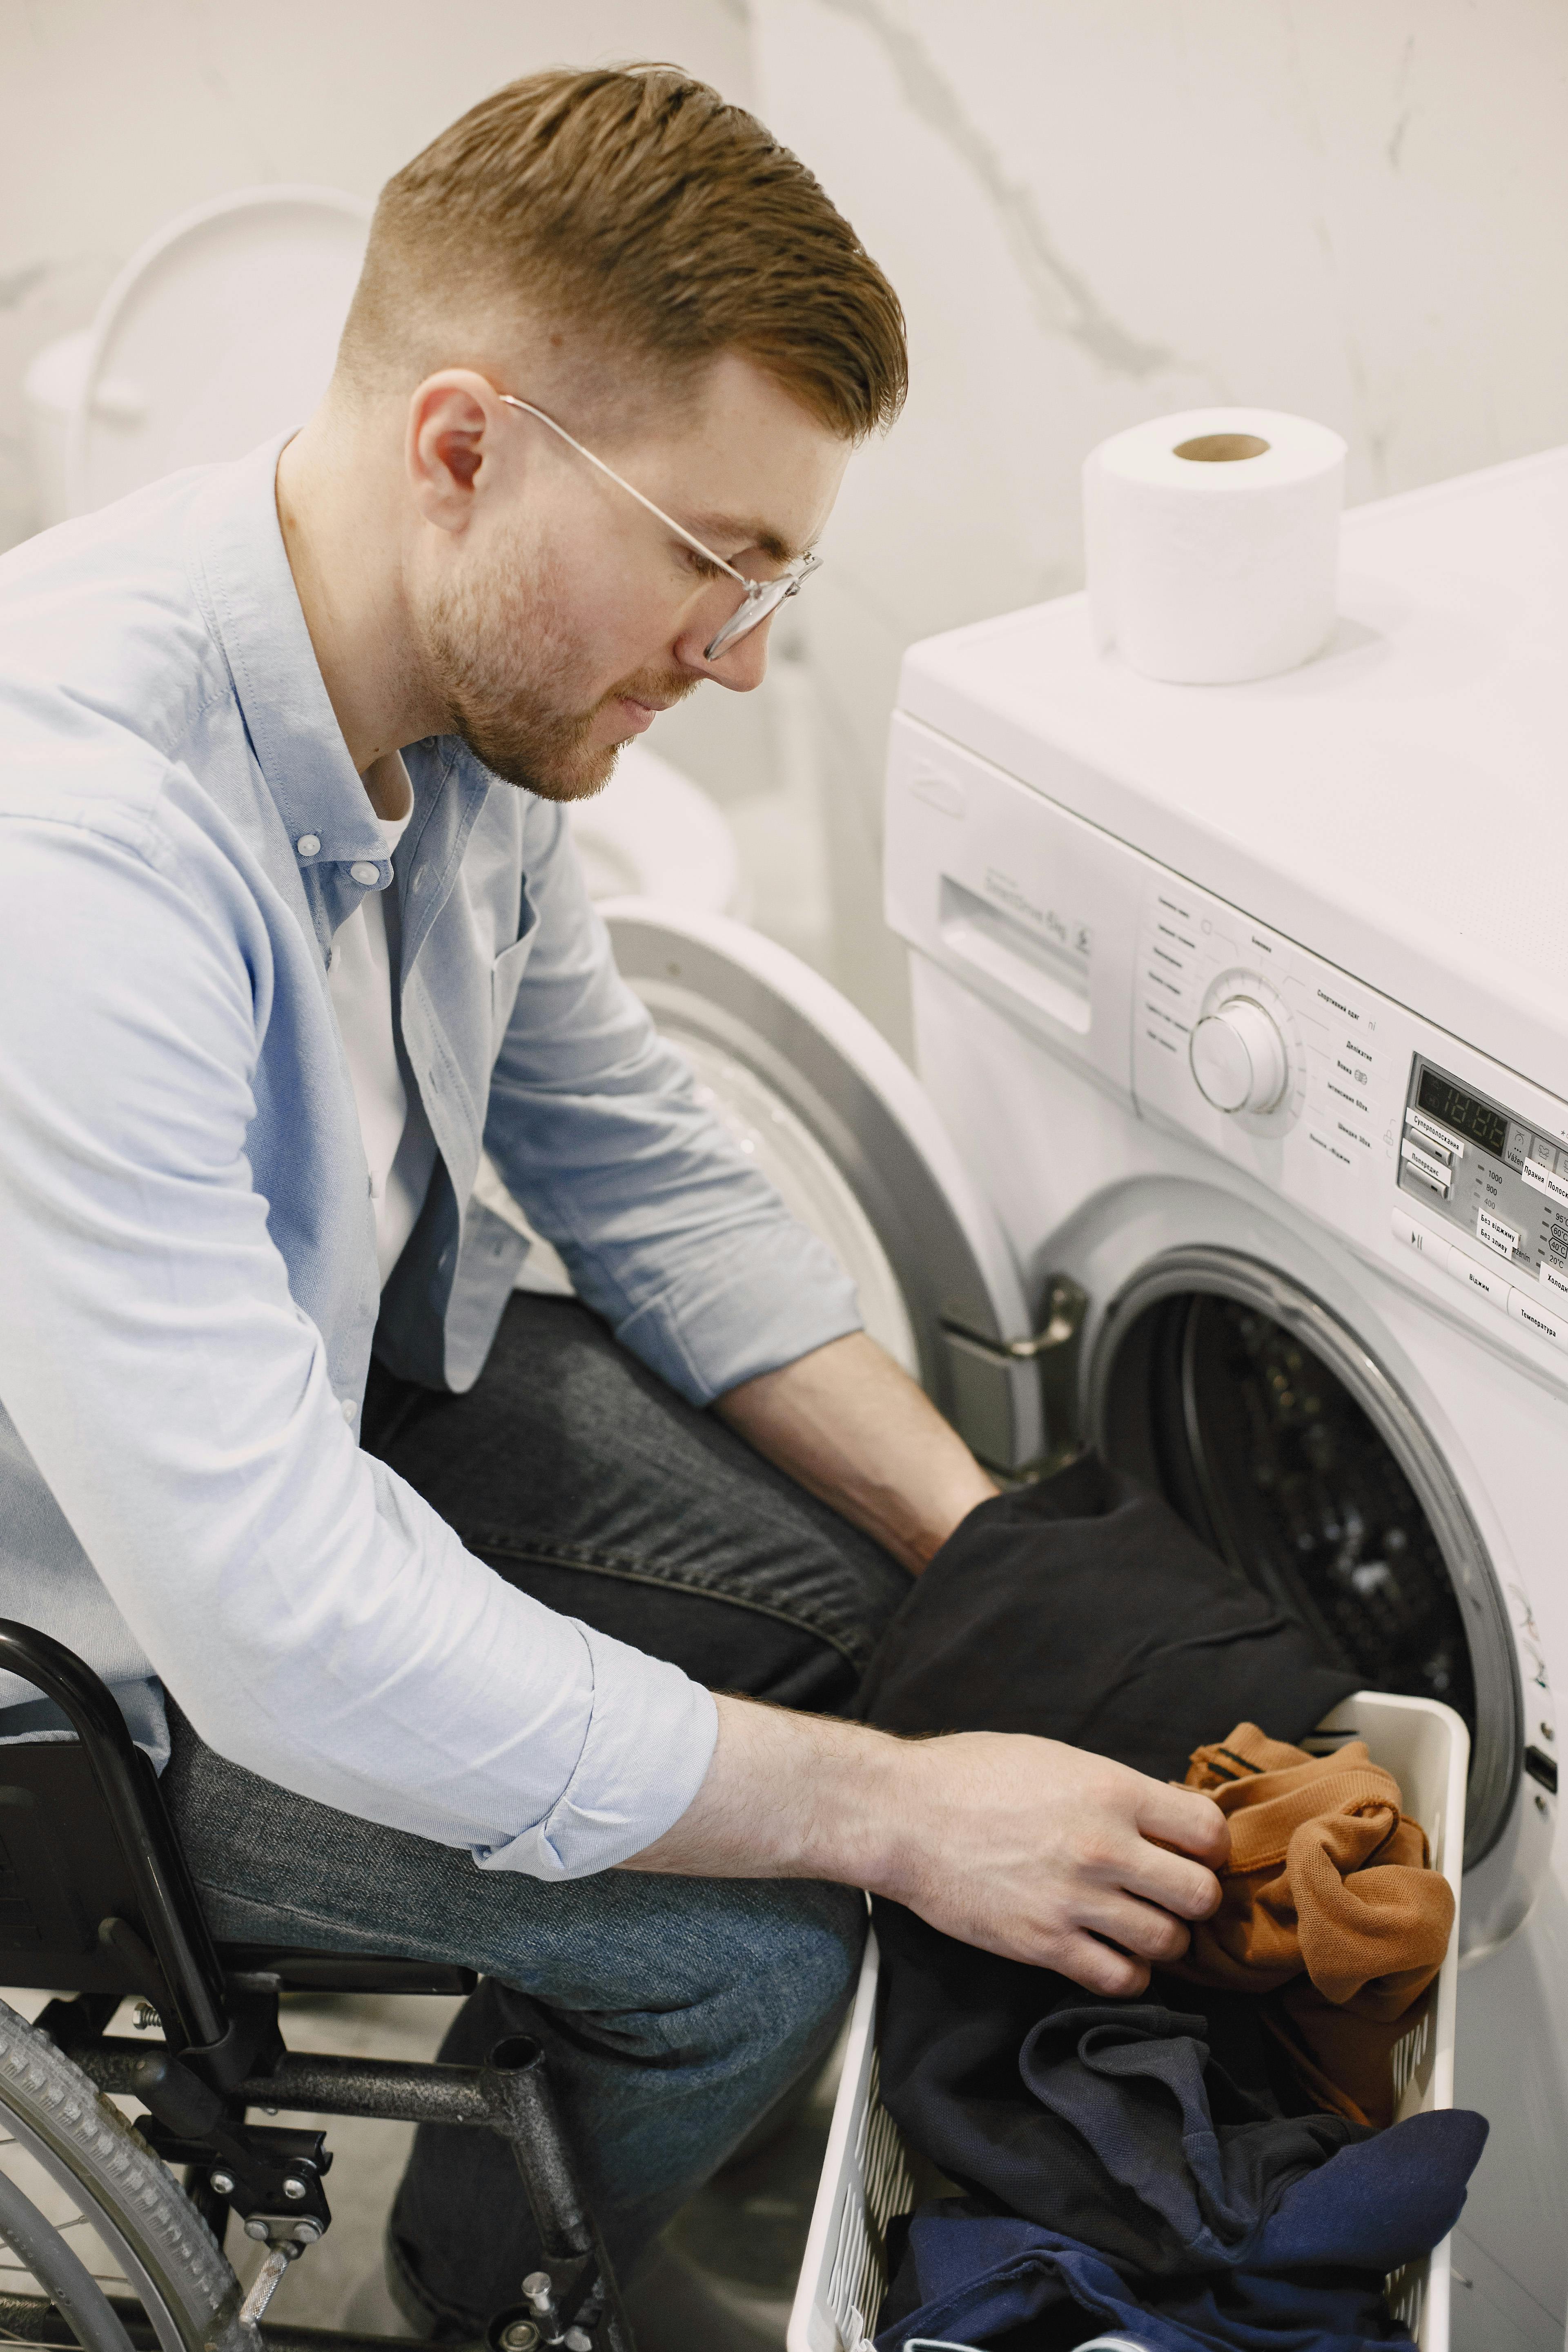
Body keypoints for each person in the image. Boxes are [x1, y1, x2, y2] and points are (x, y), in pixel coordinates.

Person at [0, 65, 1226, 2341]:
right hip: (98, 1660)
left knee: (895, 1622)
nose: (749, 650)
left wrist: (989, 1552)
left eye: (782, 570)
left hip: (338, 1411)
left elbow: (633, 1161)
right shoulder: (69, 851)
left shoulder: (473, 712)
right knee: (752, 1959)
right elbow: (264, 1613)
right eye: (713, 555)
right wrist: (883, 1813)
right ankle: (469, 2300)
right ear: (458, 449)